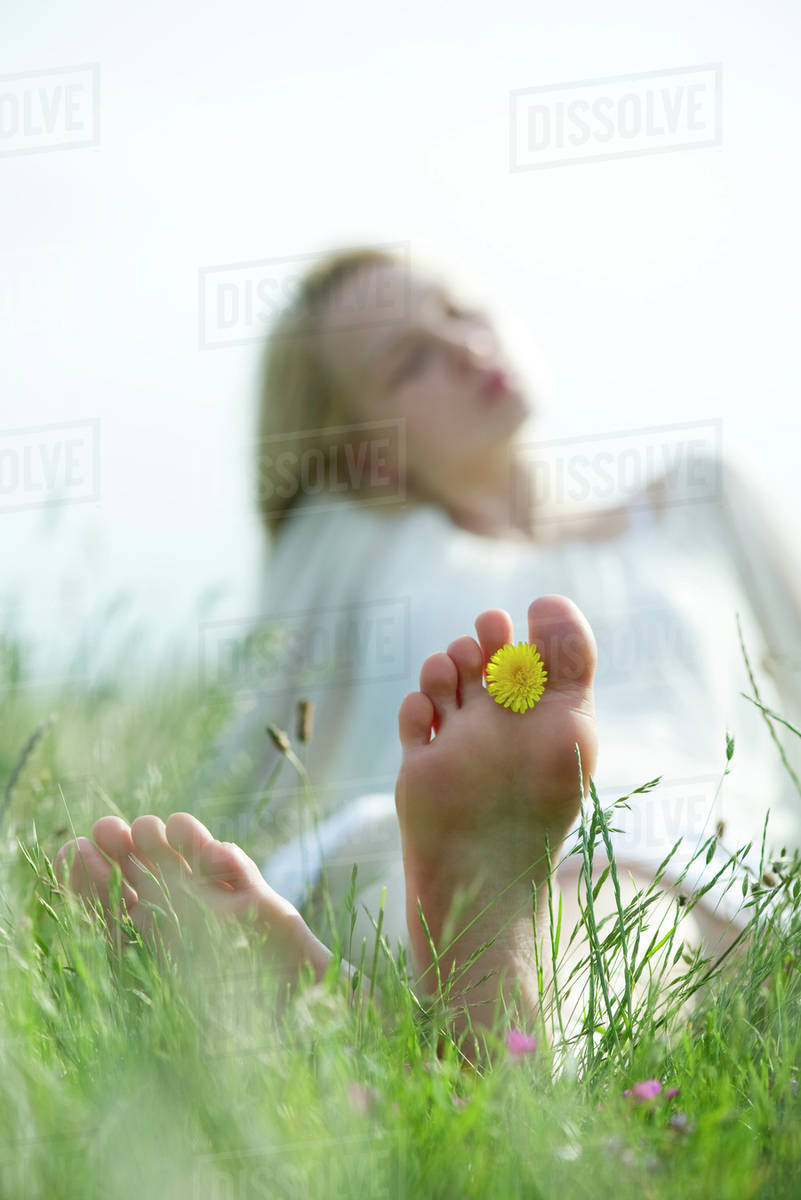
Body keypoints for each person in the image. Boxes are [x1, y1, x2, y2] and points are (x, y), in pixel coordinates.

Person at [56, 248, 801, 1047]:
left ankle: (379, 1023)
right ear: (367, 451)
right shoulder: (352, 537)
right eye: (410, 360)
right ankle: (486, 1012)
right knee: (396, 877)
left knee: (621, 902)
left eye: (458, 309)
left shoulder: (704, 501)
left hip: (683, 846)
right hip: (398, 846)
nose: (464, 348)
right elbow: (260, 748)